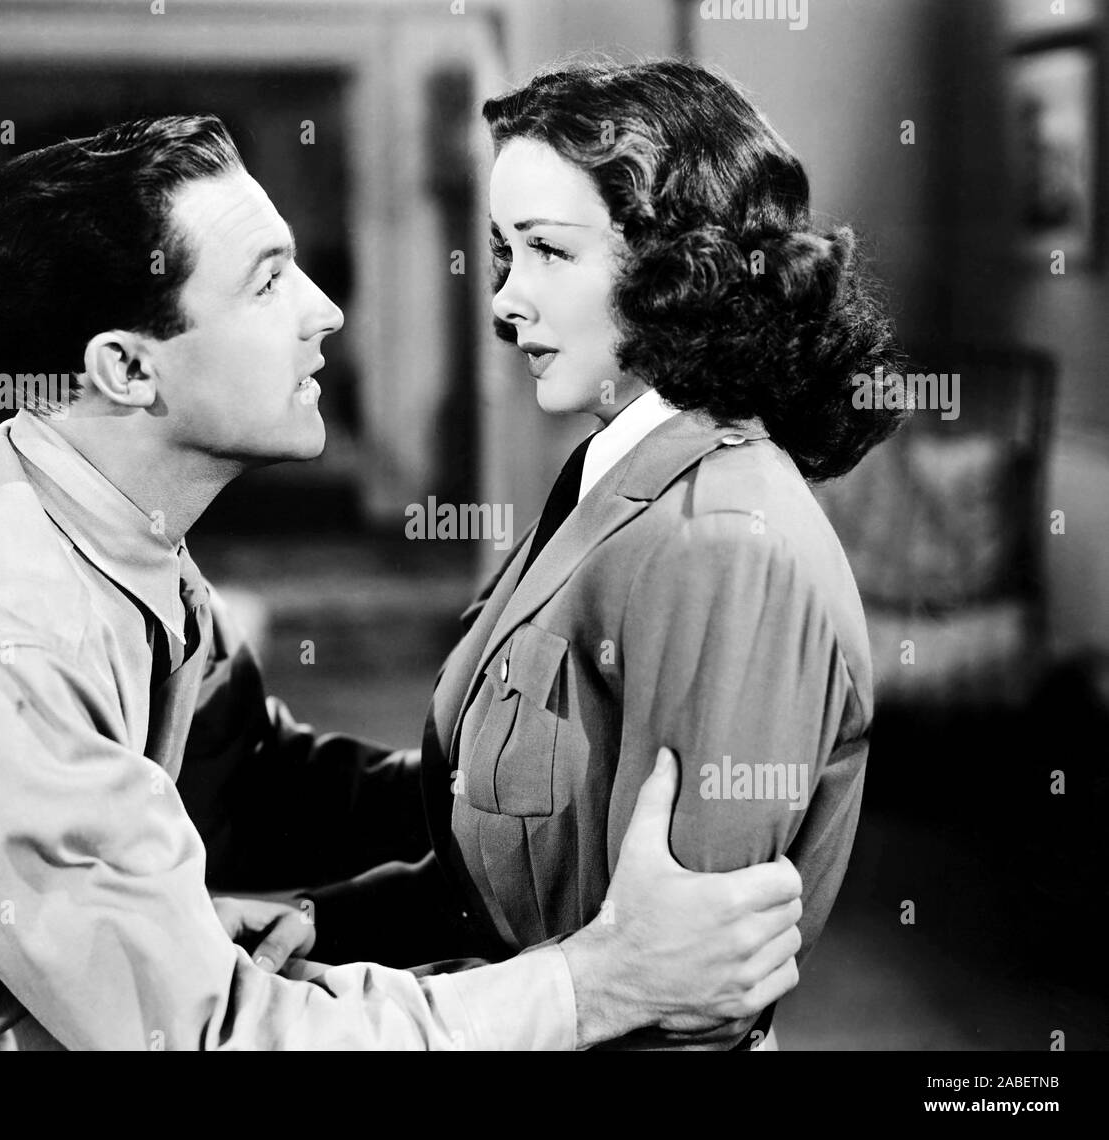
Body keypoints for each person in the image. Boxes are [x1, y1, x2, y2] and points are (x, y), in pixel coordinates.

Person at [0, 114, 803, 1050]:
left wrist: (523, 791)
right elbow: (215, 1040)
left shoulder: (102, 523)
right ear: (127, 370)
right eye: (268, 283)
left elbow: (245, 781)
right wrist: (601, 984)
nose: (324, 313)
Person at [304, 60, 906, 1050]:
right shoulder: (615, 473)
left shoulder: (719, 542)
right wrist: (318, 931)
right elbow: (496, 877)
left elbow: (679, 1002)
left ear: (680, 265)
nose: (506, 302)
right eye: (505, 253)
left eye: (548, 250)